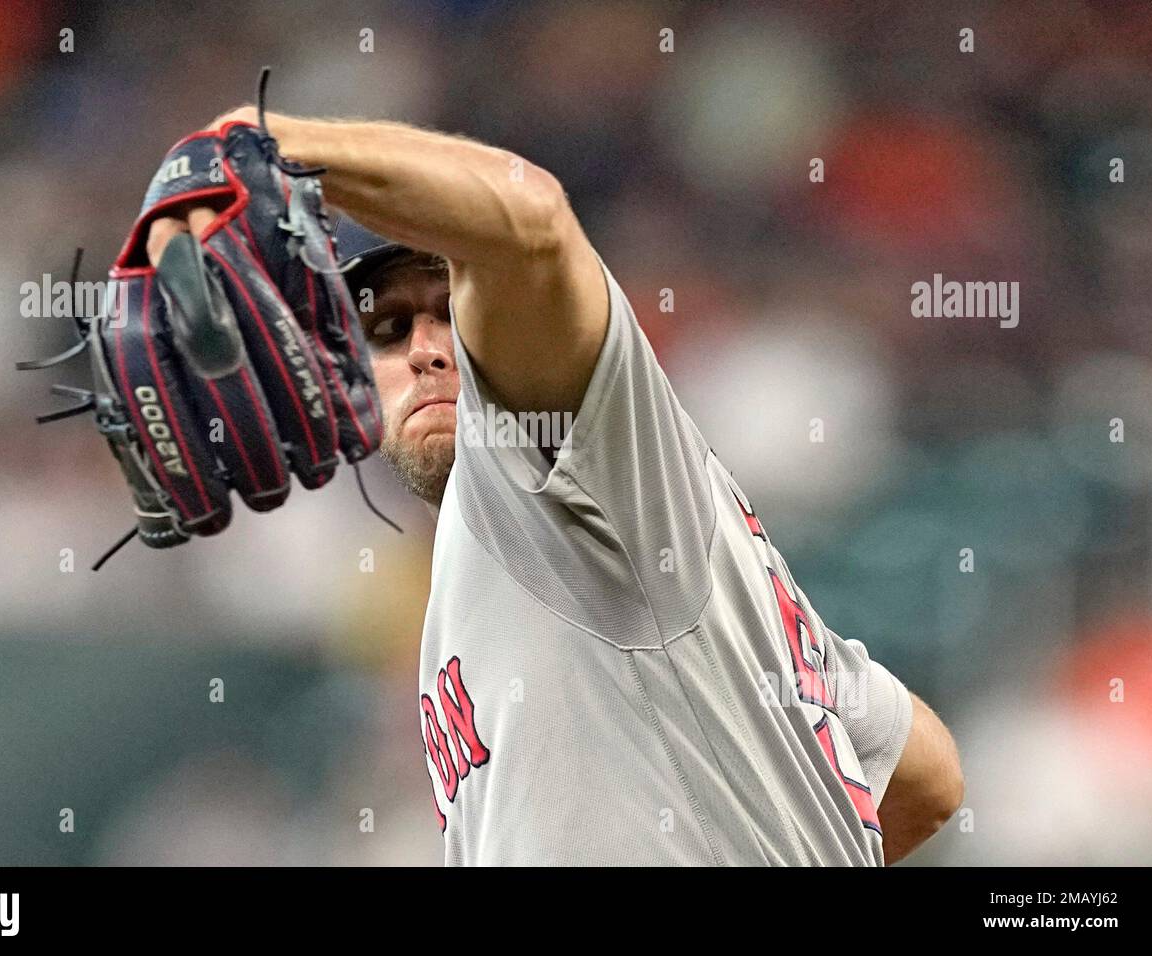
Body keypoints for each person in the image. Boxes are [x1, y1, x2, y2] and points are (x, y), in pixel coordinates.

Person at [145, 108, 964, 865]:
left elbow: (528, 220)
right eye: (387, 329)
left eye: (453, 311)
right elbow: (920, 774)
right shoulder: (582, 542)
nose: (428, 349)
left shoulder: (548, 460)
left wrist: (256, 144)